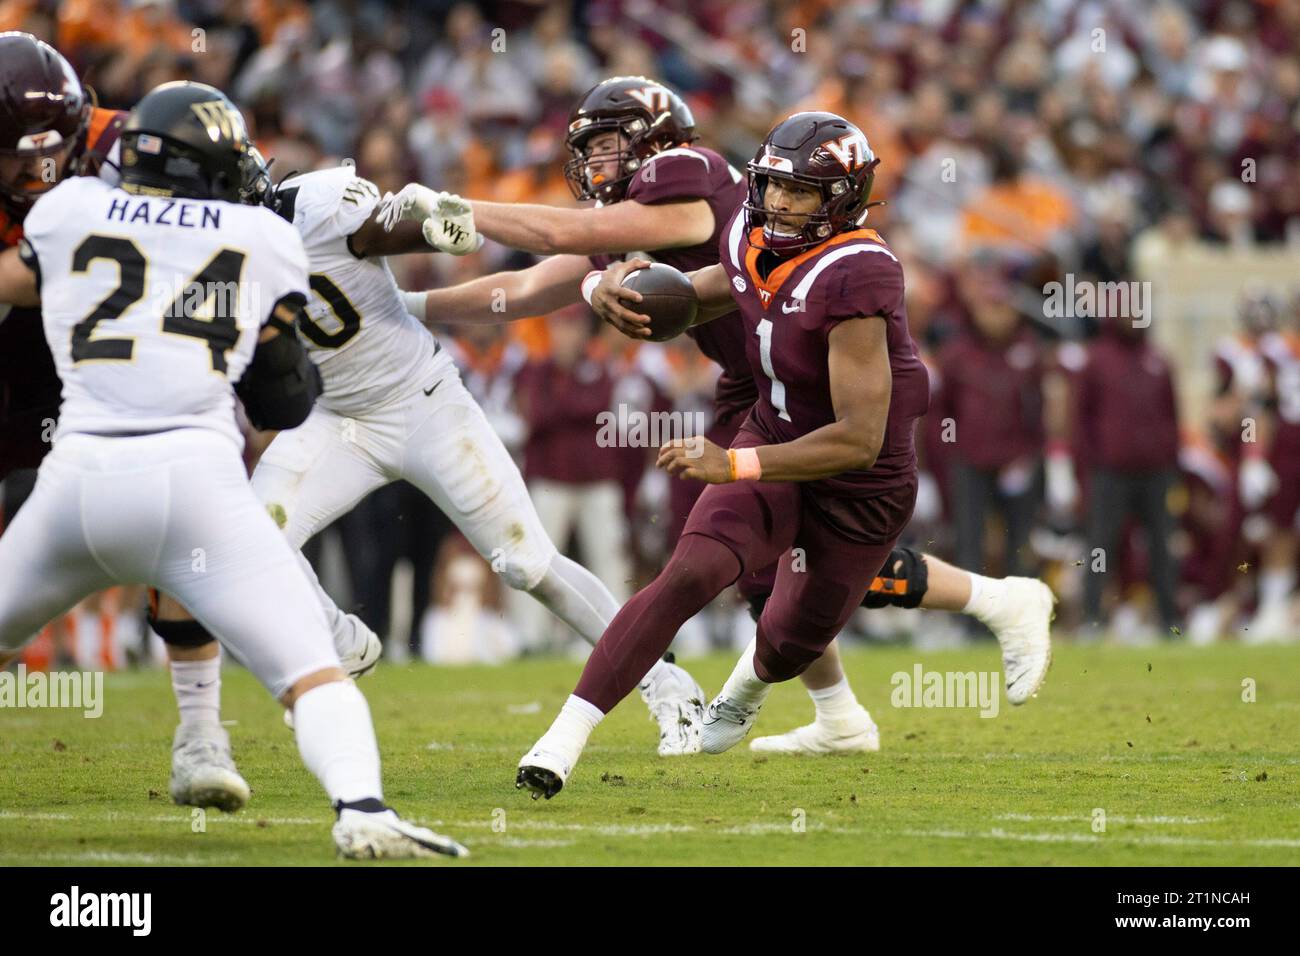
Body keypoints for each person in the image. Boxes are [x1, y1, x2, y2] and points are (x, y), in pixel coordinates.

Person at [391, 78, 1055, 757]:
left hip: (827, 382)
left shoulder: (687, 176)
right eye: (585, 149)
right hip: (758, 381)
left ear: (651, 140)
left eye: (605, 145)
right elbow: (523, 288)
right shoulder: (653, 216)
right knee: (762, 569)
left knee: (808, 555)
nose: (592, 164)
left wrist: (457, 209)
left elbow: (568, 230)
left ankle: (984, 606)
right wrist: (404, 307)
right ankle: (845, 712)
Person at [0, 80, 464, 858]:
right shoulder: (263, 239)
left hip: (76, 484)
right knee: (314, 673)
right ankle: (362, 809)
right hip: (195, 486)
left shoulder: (63, 213)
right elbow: (282, 401)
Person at [516, 111, 928, 798]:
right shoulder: (750, 230)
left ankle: (745, 693)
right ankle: (562, 740)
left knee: (784, 644)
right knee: (689, 572)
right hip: (775, 430)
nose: (778, 204)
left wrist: (732, 463)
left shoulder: (859, 273)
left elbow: (858, 438)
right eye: (771, 186)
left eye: (800, 193)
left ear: (843, 200)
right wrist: (653, 298)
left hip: (860, 483)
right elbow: (725, 288)